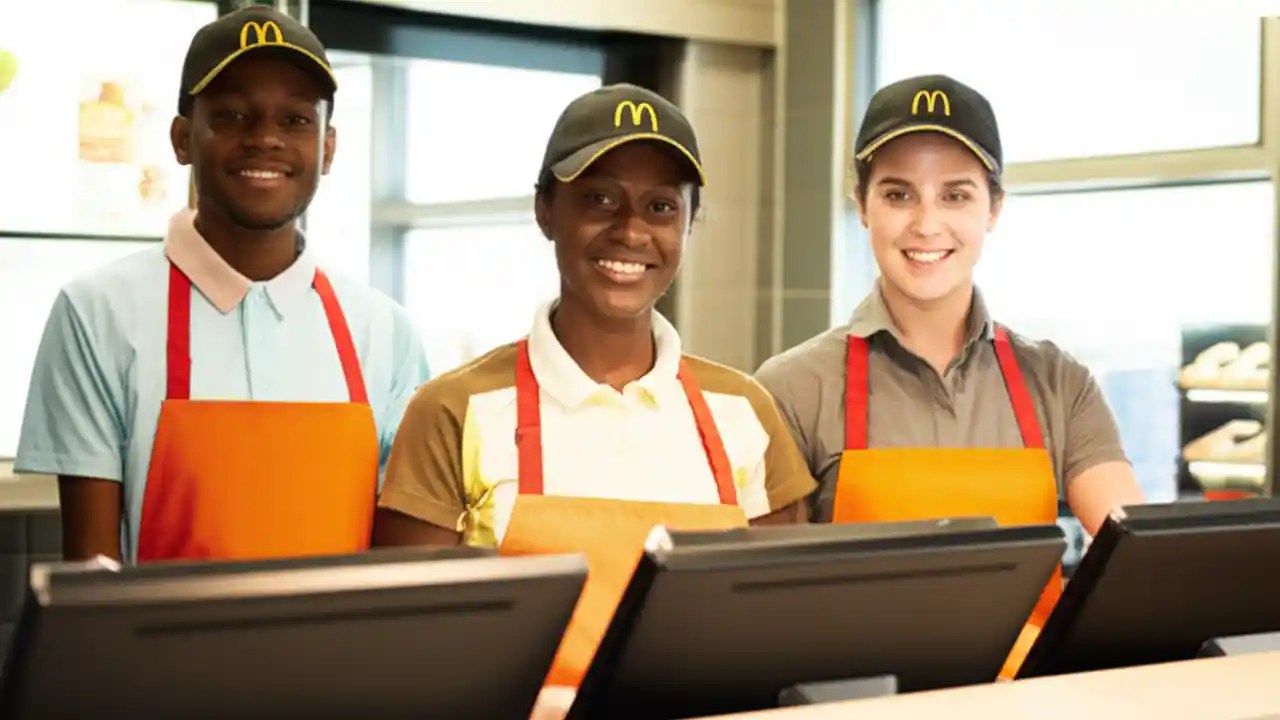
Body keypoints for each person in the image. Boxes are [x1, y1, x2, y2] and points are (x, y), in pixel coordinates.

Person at [373, 84, 817, 689]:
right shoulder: (454, 410)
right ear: (546, 210)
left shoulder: (745, 411)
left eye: (661, 207)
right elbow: (408, 650)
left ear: (690, 224)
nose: (631, 232)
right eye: (600, 199)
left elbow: (783, 633)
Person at [754, 74, 1144, 677]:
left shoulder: (1060, 384)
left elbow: (1135, 557)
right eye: (899, 194)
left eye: (956, 195)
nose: (927, 224)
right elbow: (768, 604)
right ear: (861, 205)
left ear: (995, 208)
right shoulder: (791, 389)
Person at [13, 6, 429, 565]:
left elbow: (399, 570)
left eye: (295, 120)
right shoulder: (98, 312)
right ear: (183, 139)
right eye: (232, 115)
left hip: (341, 654)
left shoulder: (384, 331)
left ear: (328, 148)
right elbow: (92, 575)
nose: (264, 139)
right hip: (162, 652)